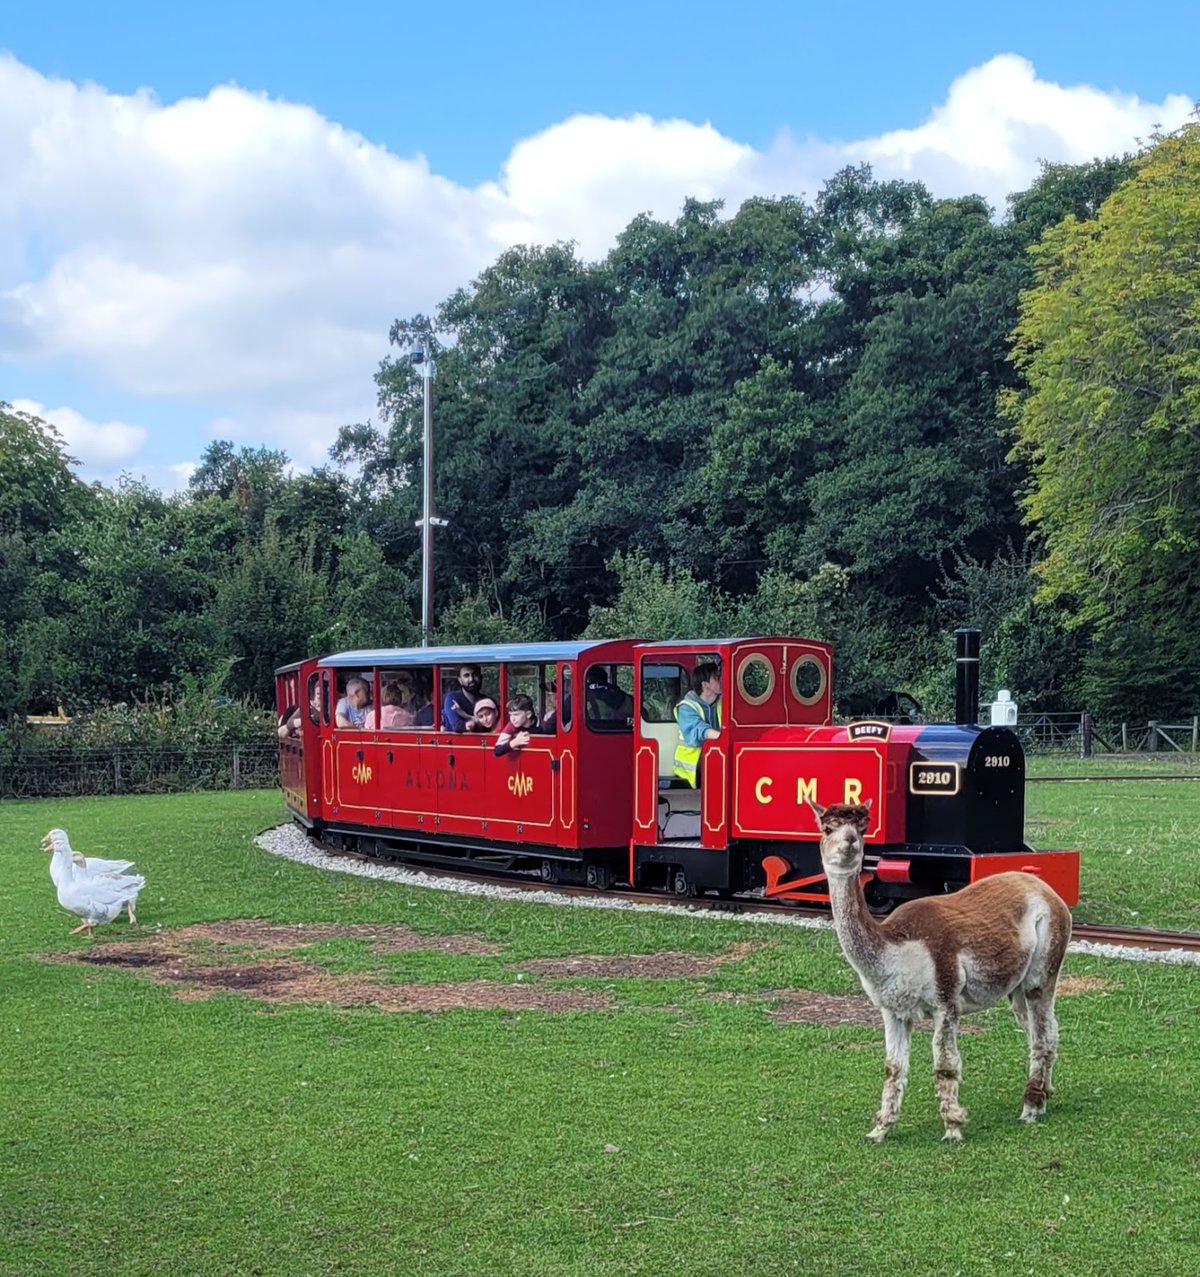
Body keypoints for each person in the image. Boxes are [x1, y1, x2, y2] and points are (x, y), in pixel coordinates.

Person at [673, 662, 722, 787]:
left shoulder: (723, 702)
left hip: (715, 756)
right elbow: (698, 730)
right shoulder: (686, 707)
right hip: (692, 765)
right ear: (705, 685)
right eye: (717, 677)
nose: (722, 679)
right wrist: (723, 737)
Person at [442, 664, 485, 732]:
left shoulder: (485, 700)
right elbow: (457, 726)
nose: (471, 679)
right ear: (460, 680)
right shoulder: (452, 698)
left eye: (475, 674)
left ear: (480, 677)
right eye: (466, 675)